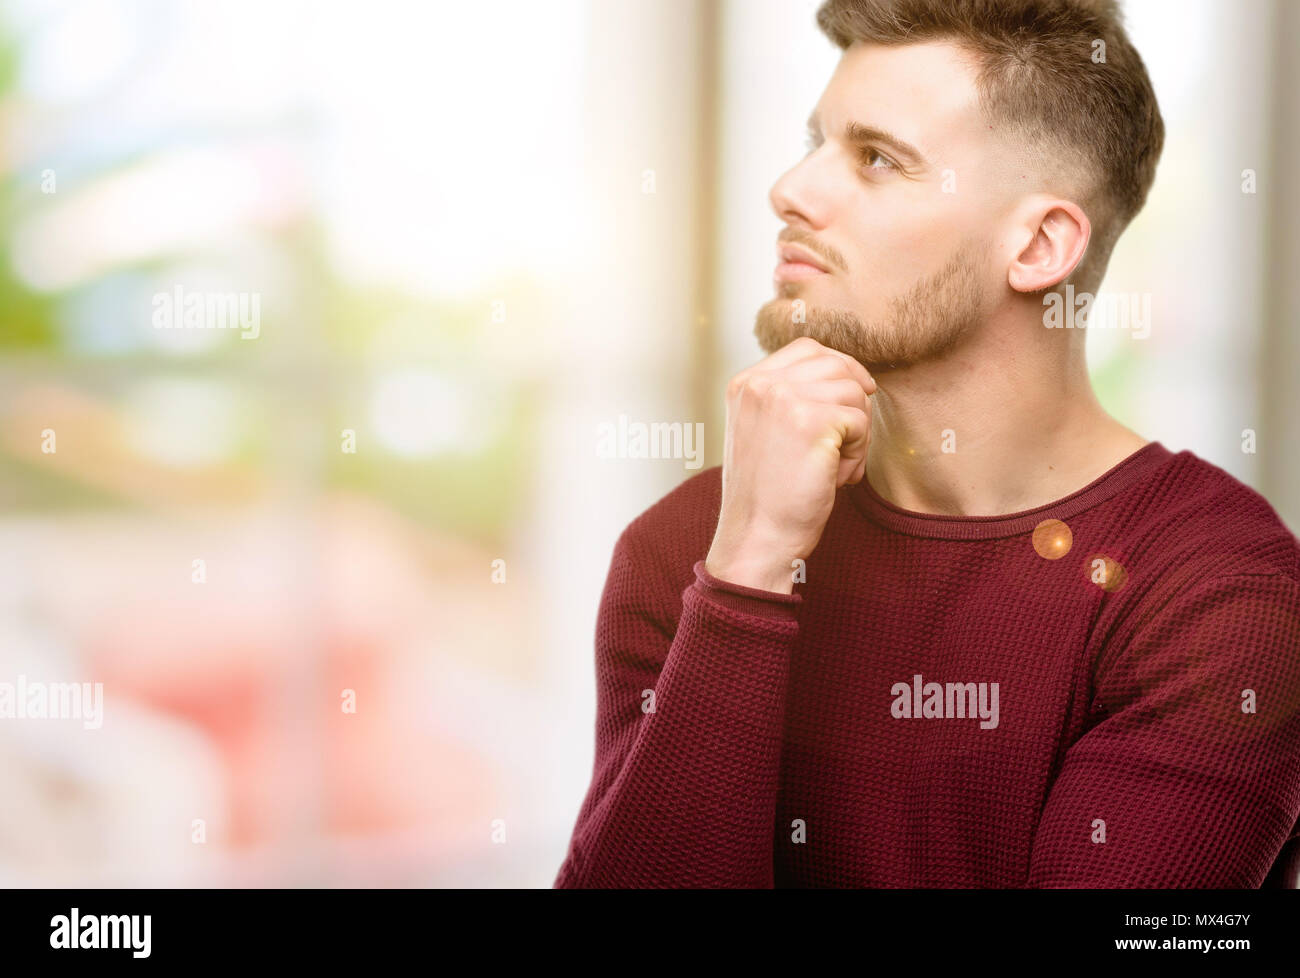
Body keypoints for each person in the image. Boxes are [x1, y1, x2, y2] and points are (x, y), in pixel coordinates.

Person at [554, 0, 1300, 888]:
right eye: (814, 141)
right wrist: (748, 571)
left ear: (1039, 245)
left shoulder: (1225, 594)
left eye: (875, 159)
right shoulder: (691, 546)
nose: (791, 189)